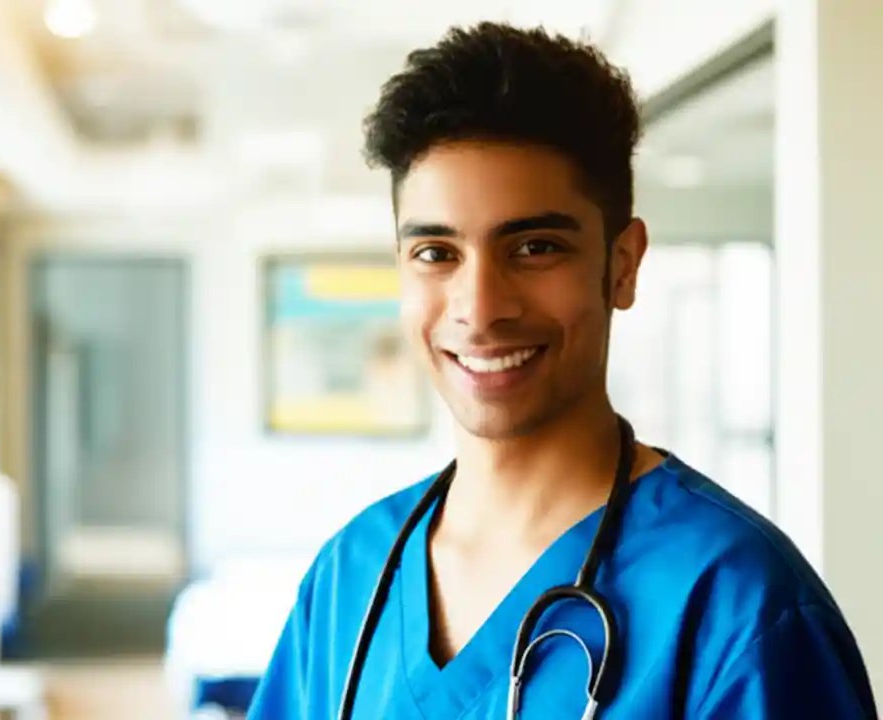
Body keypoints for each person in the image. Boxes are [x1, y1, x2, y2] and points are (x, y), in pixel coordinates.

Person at [248, 22, 877, 719]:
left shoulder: (735, 606)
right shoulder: (352, 578)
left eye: (535, 247)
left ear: (622, 265)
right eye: (436, 253)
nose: (480, 309)